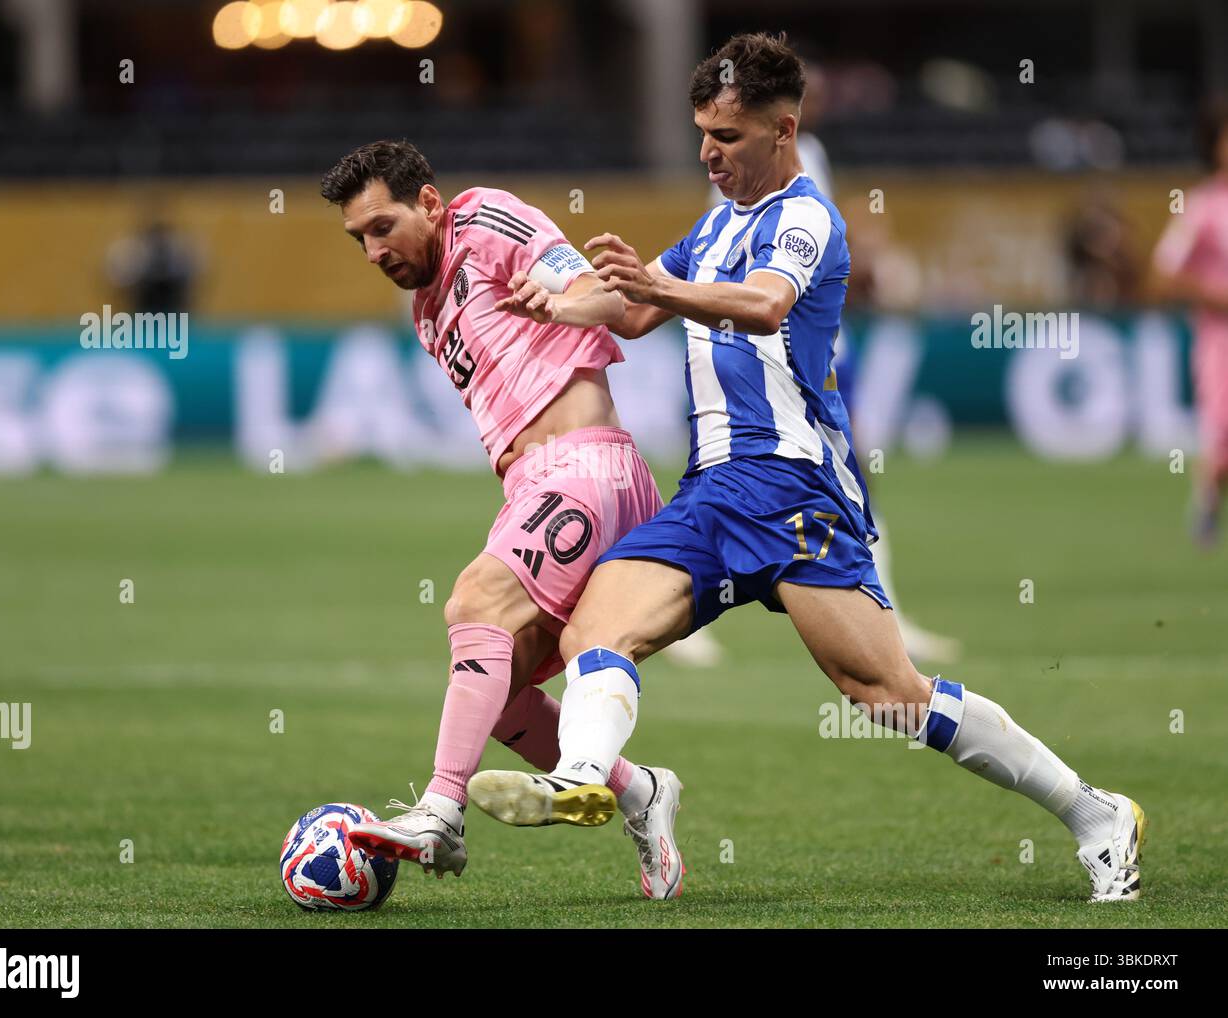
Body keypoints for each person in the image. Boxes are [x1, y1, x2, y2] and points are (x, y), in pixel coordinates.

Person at [475, 32, 1146, 903]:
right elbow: (633, 312)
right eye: (703, 135)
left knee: (887, 693)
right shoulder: (714, 225)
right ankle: (591, 782)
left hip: (794, 488)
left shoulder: (806, 216)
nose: (709, 153)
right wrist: (555, 300)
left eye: (728, 137)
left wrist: (655, 289)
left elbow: (761, 306)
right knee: (593, 631)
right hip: (712, 490)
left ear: (783, 131)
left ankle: (1095, 813)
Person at [318, 140, 685, 898]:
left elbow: (607, 299)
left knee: (475, 601)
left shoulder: (486, 220)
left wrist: (561, 301)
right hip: (534, 488)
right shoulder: (426, 308)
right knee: (494, 688)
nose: (372, 250)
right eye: (359, 238)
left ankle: (439, 813)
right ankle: (639, 790)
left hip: (589, 465)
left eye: (383, 227)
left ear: (428, 202)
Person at [1152, 101, 1228, 547]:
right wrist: (1215, 295)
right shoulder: (1203, 205)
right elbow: (1165, 273)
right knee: (1222, 431)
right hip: (1220, 339)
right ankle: (1206, 497)